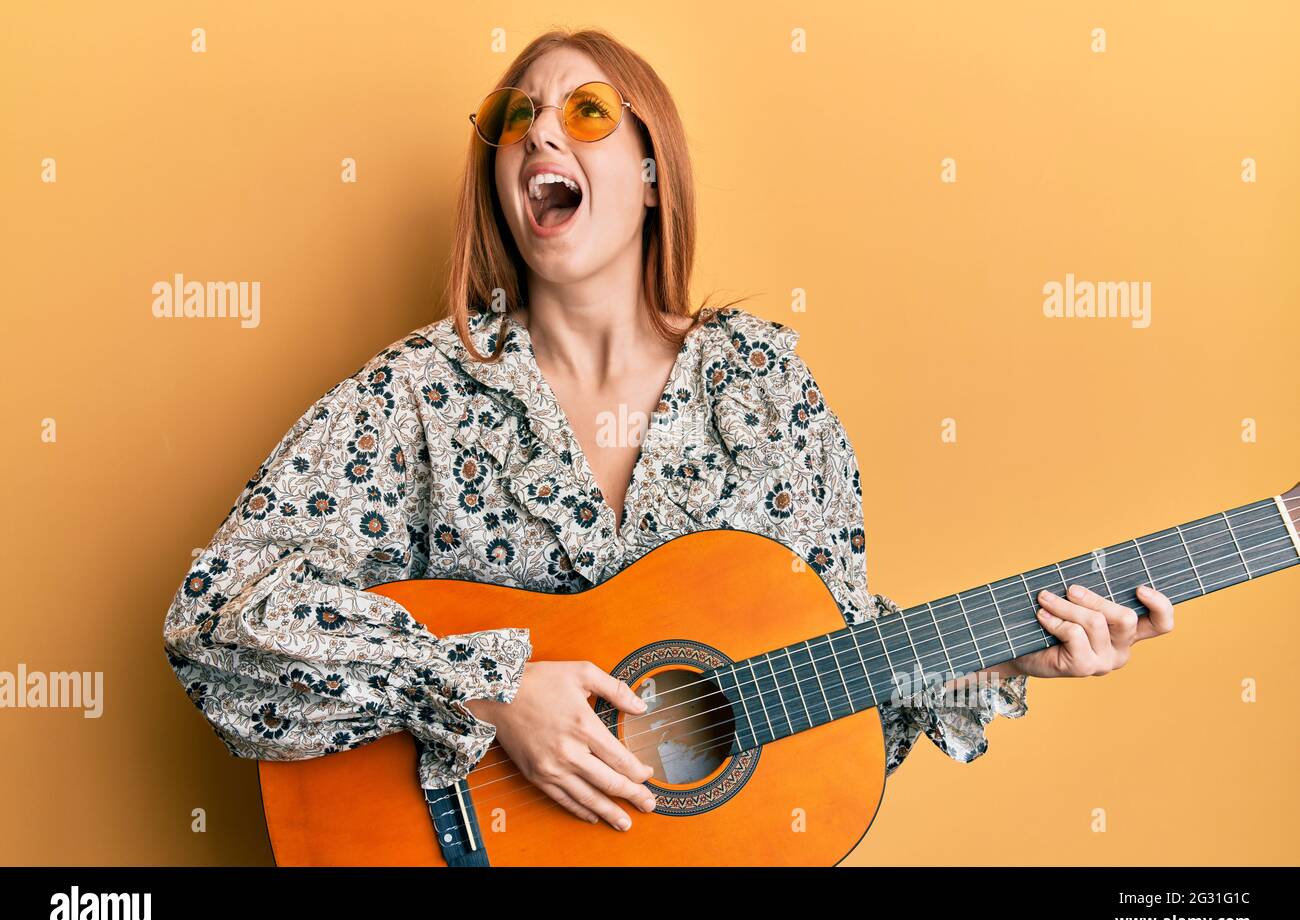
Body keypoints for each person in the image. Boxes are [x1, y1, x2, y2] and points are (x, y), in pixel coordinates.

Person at [162, 29, 1175, 834]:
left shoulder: (764, 389)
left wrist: (1002, 662)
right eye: (517, 119)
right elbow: (215, 620)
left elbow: (835, 701)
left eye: (587, 111)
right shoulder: (417, 394)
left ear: (653, 170)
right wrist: (491, 688)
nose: (540, 134)